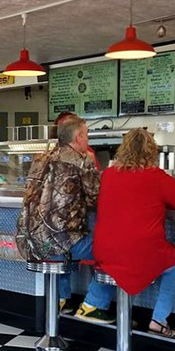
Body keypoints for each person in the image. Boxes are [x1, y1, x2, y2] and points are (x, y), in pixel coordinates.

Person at [93, 128, 175, 336]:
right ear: (152, 152)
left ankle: (116, 314)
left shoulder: (108, 175)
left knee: (128, 258)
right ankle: (158, 320)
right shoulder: (157, 177)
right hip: (140, 251)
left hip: (104, 250)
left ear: (122, 150)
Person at [16, 113, 113, 320]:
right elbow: (96, 198)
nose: (87, 140)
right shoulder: (82, 161)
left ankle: (61, 299)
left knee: (59, 233)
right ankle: (93, 305)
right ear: (77, 137)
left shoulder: (39, 159)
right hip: (61, 244)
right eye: (86, 135)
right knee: (117, 249)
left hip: (30, 242)